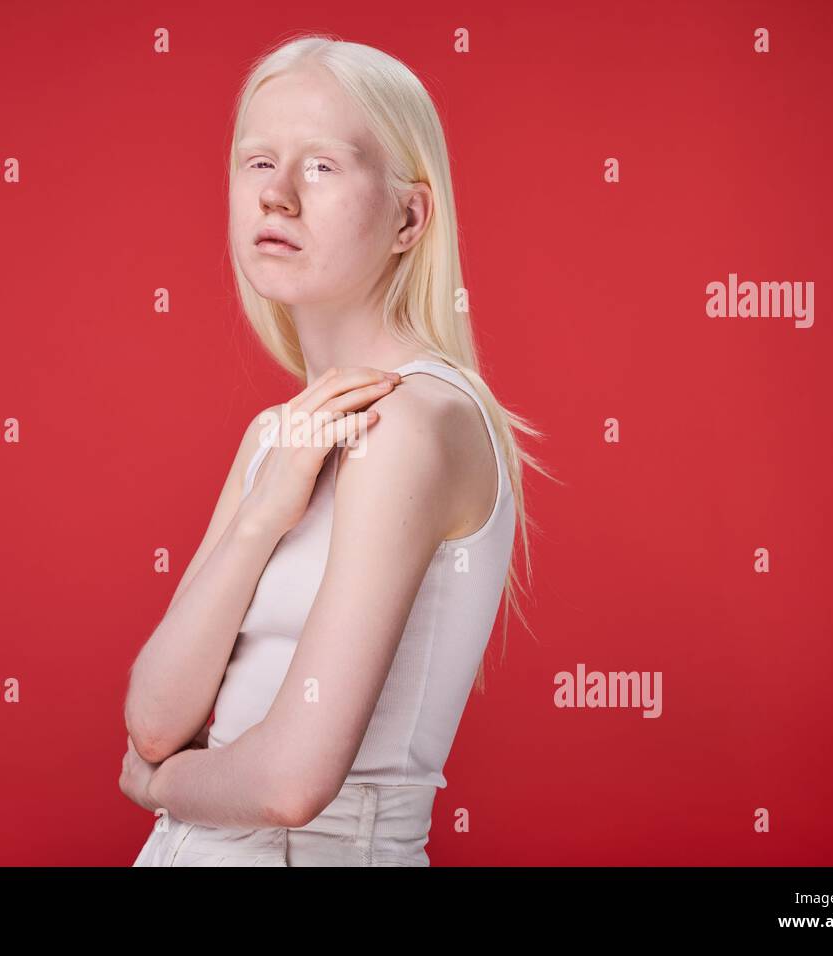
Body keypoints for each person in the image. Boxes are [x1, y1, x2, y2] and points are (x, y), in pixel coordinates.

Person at [120, 32, 558, 866]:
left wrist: (159, 787)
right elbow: (152, 716)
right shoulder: (276, 439)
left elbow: (289, 785)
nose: (276, 196)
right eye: (257, 162)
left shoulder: (416, 424)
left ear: (407, 217)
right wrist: (261, 517)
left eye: (321, 166)